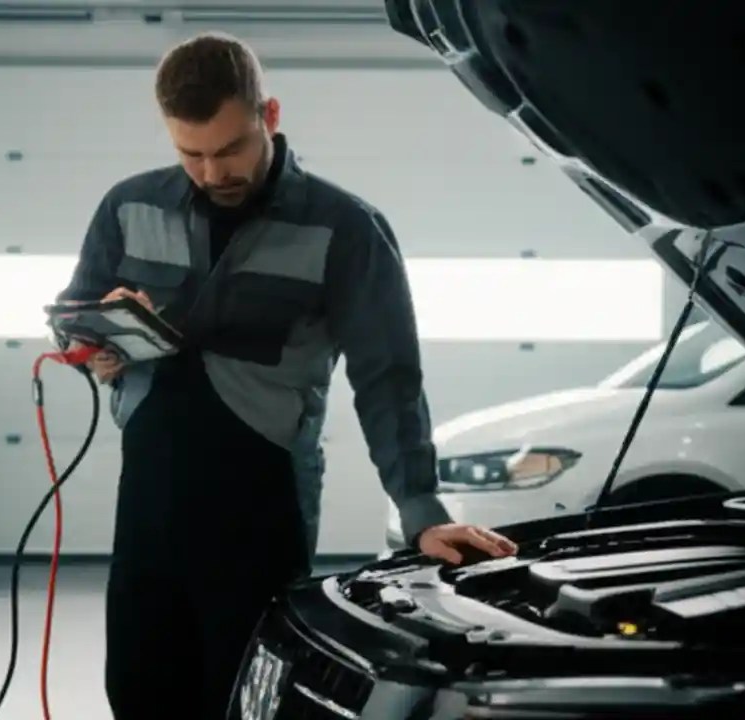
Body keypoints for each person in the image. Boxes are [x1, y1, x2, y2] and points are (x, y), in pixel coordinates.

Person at [52, 31, 518, 719]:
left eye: (230, 148)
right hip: (150, 497)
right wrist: (94, 345)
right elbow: (77, 318)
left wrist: (421, 511)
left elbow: (388, 376)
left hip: (262, 500)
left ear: (269, 115)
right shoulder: (128, 206)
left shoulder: (346, 228)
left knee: (250, 699)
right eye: (191, 154)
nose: (212, 173)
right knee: (139, 691)